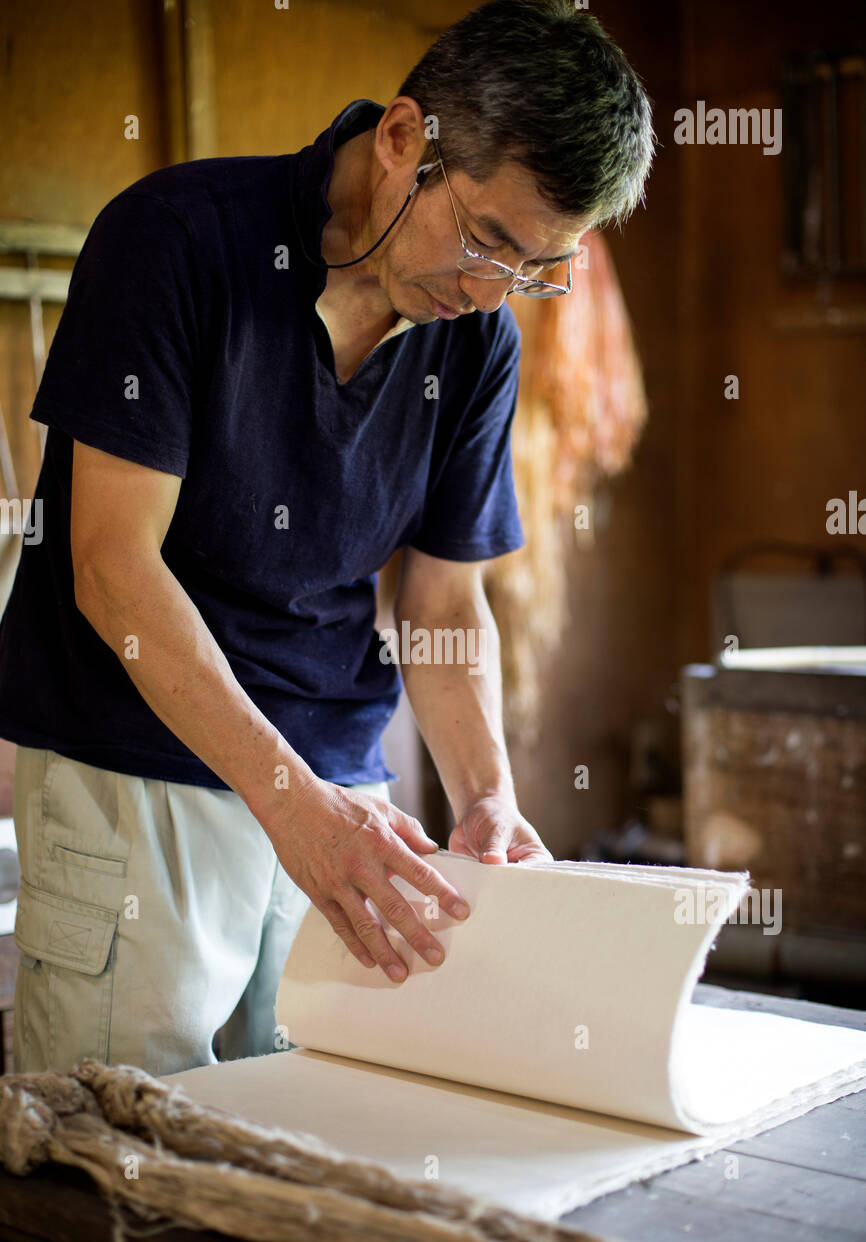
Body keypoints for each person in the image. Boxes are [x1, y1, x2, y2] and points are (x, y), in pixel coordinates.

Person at [0, 0, 654, 1076]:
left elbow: (442, 602)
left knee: (324, 1126)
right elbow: (111, 567)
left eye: (534, 269)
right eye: (487, 239)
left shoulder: (477, 340)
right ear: (403, 140)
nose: (492, 292)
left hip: (339, 782)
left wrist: (486, 793)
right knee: (120, 1149)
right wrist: (287, 801)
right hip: (136, 774)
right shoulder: (175, 239)